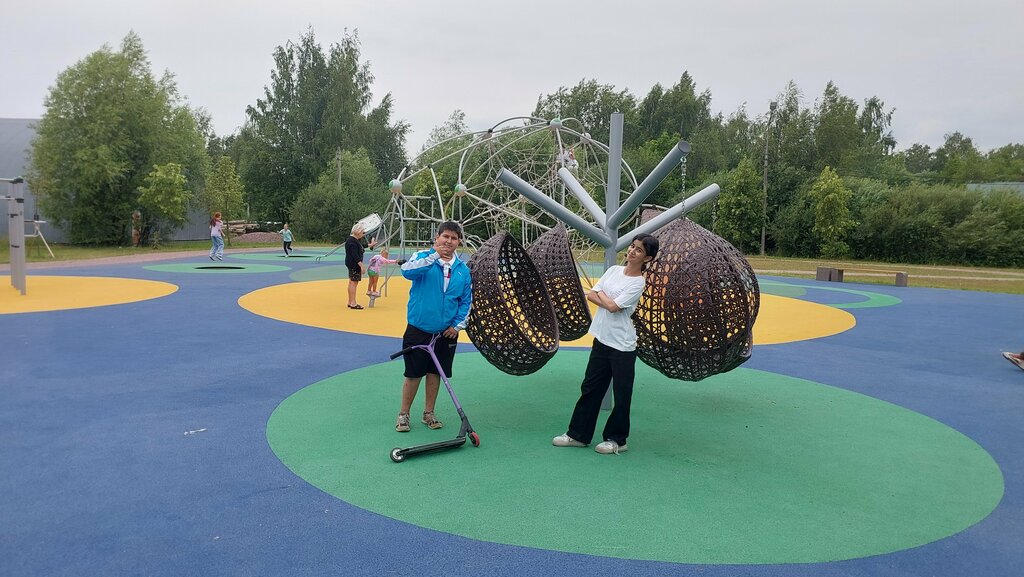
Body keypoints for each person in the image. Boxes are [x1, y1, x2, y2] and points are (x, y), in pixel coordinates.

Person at [552, 234, 659, 455]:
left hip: (622, 346)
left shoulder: (638, 283)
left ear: (647, 258)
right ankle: (578, 435)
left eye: (639, 250)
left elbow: (611, 306)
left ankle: (617, 439)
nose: (632, 251)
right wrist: (603, 298)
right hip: (601, 339)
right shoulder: (613, 271)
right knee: (590, 388)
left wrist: (602, 296)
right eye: (632, 246)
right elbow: (592, 295)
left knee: (622, 394)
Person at [395, 221, 473, 432]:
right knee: (413, 373)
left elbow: (466, 300)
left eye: (453, 238)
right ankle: (404, 414)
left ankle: (428, 413)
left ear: (459, 242)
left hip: (445, 333)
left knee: (435, 372)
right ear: (437, 238)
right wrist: (434, 256)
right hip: (419, 328)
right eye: (445, 236)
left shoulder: (462, 270)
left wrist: (457, 326)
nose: (448, 241)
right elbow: (407, 272)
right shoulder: (422, 257)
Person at [344, 223, 377, 309]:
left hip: (350, 263)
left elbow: (361, 246)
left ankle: (350, 301)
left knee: (351, 282)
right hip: (354, 264)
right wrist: (361, 266)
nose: (363, 234)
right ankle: (353, 303)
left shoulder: (352, 240)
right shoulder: (353, 242)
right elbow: (355, 255)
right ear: (358, 232)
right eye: (362, 232)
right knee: (354, 283)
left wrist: (370, 245)